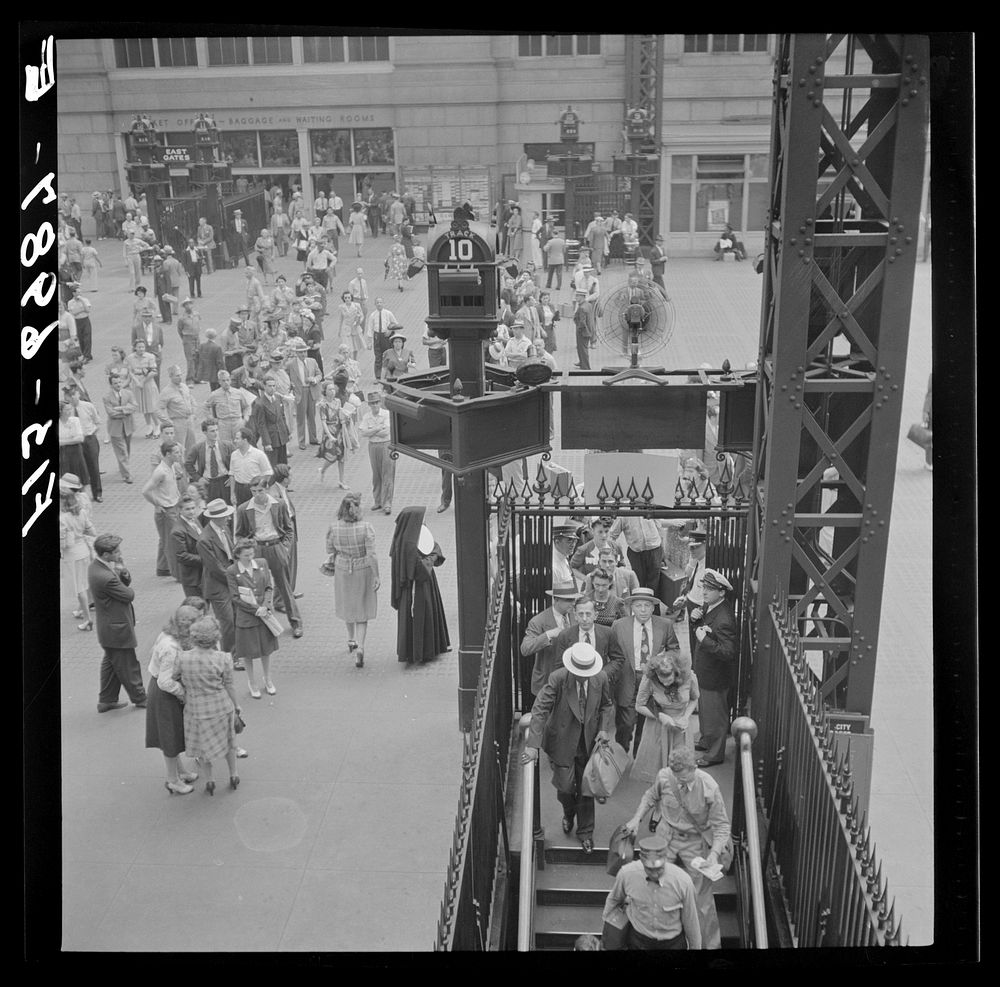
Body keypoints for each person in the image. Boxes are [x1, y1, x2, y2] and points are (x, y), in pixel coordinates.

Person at [620, 747, 731, 949]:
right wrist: (636, 819)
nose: (679, 783)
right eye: (676, 777)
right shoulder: (665, 777)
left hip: (694, 841)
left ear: (694, 768)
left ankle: (709, 947)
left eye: (684, 778)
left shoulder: (709, 787)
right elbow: (650, 797)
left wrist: (714, 854)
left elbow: (722, 826)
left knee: (701, 900)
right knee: (652, 884)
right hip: (666, 836)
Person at [521, 642, 615, 853]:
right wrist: (532, 746)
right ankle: (568, 812)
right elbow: (540, 709)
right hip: (562, 742)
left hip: (588, 743)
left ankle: (586, 832)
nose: (584, 676)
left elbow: (607, 705)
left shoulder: (600, 679)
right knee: (564, 788)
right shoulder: (558, 678)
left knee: (586, 790)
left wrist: (603, 729)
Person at [173, 615, 243, 795]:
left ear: (194, 636)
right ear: (216, 636)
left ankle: (210, 780)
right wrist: (236, 706)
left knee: (202, 748)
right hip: (220, 707)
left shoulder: (183, 658)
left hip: (195, 710)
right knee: (228, 743)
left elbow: (175, 677)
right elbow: (229, 685)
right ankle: (233, 774)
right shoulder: (224, 658)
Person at [608, 588, 681, 754]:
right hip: (627, 679)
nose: (642, 610)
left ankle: (639, 758)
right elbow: (611, 653)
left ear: (653, 607)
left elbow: (675, 650)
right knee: (625, 724)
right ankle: (621, 753)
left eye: (647, 605)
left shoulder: (665, 625)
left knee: (647, 722)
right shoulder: (619, 626)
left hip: (652, 681)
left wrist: (663, 660)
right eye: (638, 605)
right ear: (631, 607)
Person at [601, 834, 702, 950]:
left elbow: (691, 922)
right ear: (641, 860)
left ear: (666, 858)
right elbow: (613, 900)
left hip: (672, 943)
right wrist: (608, 930)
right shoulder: (627, 874)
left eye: (659, 869)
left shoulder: (683, 882)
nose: (654, 874)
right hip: (638, 941)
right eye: (649, 869)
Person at [235, 475, 303, 639]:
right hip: (257, 549)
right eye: (253, 491)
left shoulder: (278, 504)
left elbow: (288, 529)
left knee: (284, 586)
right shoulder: (244, 509)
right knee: (257, 587)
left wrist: (285, 547)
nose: (257, 494)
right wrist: (247, 547)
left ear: (266, 489)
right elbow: (239, 534)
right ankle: (263, 624)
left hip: (275, 546)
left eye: (260, 490)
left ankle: (296, 623)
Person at [146, 605, 202, 795]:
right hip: (164, 695)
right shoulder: (171, 647)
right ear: (187, 626)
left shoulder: (168, 635)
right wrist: (183, 694)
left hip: (162, 692)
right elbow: (165, 682)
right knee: (169, 738)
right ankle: (172, 780)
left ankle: (181, 772)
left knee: (174, 736)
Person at [89, 534, 147, 713]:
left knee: (112, 664)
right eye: (116, 552)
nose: (120, 553)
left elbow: (124, 582)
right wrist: (120, 570)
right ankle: (141, 698)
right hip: (116, 629)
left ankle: (106, 700)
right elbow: (129, 594)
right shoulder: (105, 576)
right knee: (128, 664)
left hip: (110, 628)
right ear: (106, 554)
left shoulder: (97, 567)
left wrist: (122, 569)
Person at [325, 492, 380, 668]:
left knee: (347, 605)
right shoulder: (366, 527)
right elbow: (372, 554)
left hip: (342, 568)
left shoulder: (334, 527)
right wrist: (377, 575)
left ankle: (350, 640)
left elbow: (329, 549)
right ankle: (361, 648)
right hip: (362, 568)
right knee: (362, 609)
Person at [389, 507, 450, 664]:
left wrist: (433, 554)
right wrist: (433, 556)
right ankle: (421, 652)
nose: (424, 521)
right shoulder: (409, 544)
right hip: (417, 588)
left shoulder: (412, 536)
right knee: (423, 615)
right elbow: (420, 569)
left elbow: (432, 546)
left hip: (424, 584)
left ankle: (429, 648)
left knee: (428, 613)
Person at [692, 569, 737, 767]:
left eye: (710, 589)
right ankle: (706, 740)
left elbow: (728, 652)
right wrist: (694, 620)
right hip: (706, 672)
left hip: (715, 677)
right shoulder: (711, 606)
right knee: (705, 712)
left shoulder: (724, 618)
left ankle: (715, 754)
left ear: (721, 592)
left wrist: (705, 640)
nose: (704, 592)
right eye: (704, 588)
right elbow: (703, 626)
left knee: (715, 717)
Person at [632, 650, 700, 784]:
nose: (665, 684)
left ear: (676, 673)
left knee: (681, 774)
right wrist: (660, 716)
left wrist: (686, 717)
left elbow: (694, 698)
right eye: (661, 681)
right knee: (660, 779)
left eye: (669, 680)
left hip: (681, 729)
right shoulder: (649, 679)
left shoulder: (689, 677)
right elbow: (639, 705)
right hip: (658, 729)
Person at [227, 537, 279, 699]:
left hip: (264, 614)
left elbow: (269, 586)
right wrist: (257, 610)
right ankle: (252, 682)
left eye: (251, 554)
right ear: (238, 556)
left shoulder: (262, 563)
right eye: (246, 555)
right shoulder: (232, 571)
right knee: (248, 652)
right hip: (247, 617)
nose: (250, 558)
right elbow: (235, 597)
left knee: (266, 650)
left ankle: (267, 678)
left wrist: (266, 605)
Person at [196, 499, 239, 666]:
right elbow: (215, 567)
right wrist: (235, 578)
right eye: (225, 516)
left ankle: (235, 651)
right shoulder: (204, 540)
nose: (228, 519)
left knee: (235, 617)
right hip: (218, 584)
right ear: (215, 518)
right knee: (227, 621)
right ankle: (229, 656)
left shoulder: (224, 528)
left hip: (230, 578)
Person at [520, 584, 580, 704]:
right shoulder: (539, 621)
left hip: (572, 681)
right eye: (568, 600)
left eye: (573, 599)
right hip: (547, 681)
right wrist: (547, 635)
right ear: (556, 599)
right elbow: (525, 648)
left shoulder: (576, 616)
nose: (572, 603)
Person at [142, 440, 183, 578]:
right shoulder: (160, 471)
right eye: (176, 452)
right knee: (171, 543)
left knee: (164, 539)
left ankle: (163, 568)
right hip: (167, 510)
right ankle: (177, 573)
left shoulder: (171, 466)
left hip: (173, 506)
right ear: (168, 454)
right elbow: (146, 491)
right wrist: (157, 504)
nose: (179, 454)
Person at [59, 481, 96, 631]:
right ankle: (82, 611)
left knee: (79, 588)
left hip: (72, 554)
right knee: (83, 583)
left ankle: (87, 619)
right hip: (84, 551)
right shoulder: (81, 512)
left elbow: (63, 544)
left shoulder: (63, 519)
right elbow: (91, 530)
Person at [358, 389, 395, 515]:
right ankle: (378, 501)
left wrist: (371, 430)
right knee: (376, 474)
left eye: (377, 402)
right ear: (369, 404)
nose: (375, 405)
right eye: (372, 403)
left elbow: (386, 432)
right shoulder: (366, 416)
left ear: (380, 403)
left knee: (387, 474)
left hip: (386, 444)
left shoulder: (386, 414)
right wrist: (378, 428)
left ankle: (387, 503)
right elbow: (363, 433)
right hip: (373, 446)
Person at [672, 531, 707, 657]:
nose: (692, 550)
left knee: (700, 646)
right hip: (692, 606)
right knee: (693, 646)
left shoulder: (707, 565)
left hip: (701, 610)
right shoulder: (698, 561)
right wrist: (685, 598)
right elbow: (689, 578)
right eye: (690, 547)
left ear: (705, 545)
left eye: (695, 547)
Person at [66, 385, 103, 502]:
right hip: (75, 441)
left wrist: (92, 432)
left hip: (89, 439)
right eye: (69, 396)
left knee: (94, 467)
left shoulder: (88, 406)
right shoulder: (66, 410)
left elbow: (97, 421)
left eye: (74, 394)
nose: (72, 398)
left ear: (78, 394)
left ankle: (97, 493)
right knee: (78, 467)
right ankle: (79, 494)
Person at [609, 516, 663, 593]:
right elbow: (612, 535)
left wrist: (662, 551)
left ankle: (653, 604)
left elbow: (659, 526)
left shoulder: (650, 507)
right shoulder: (625, 514)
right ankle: (639, 603)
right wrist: (613, 554)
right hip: (636, 553)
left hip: (655, 550)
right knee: (639, 583)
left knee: (655, 582)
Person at [186, 419, 234, 505]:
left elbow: (237, 462)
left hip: (225, 482)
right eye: (212, 431)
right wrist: (198, 478)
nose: (216, 433)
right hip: (209, 484)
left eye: (217, 430)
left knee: (227, 509)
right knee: (210, 510)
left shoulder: (227, 446)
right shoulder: (198, 448)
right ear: (204, 432)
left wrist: (233, 478)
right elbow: (188, 464)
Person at [249, 373, 291, 469]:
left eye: (273, 386)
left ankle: (284, 483)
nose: (272, 388)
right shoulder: (260, 404)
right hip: (271, 439)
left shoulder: (278, 398)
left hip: (281, 436)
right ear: (264, 386)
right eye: (269, 386)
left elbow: (282, 417)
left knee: (283, 464)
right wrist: (267, 442)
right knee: (273, 466)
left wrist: (287, 432)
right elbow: (261, 425)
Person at [103, 370, 137, 484]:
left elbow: (134, 407)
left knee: (126, 450)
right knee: (122, 451)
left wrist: (120, 409)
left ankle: (123, 467)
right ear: (111, 385)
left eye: (119, 382)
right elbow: (111, 413)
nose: (118, 385)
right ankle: (127, 475)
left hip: (128, 426)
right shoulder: (106, 397)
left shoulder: (128, 393)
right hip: (115, 428)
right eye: (115, 383)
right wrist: (126, 410)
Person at [156, 365, 196, 456]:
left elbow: (192, 399)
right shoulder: (166, 391)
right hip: (178, 422)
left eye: (180, 375)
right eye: (177, 376)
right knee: (179, 448)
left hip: (189, 420)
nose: (180, 377)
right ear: (171, 376)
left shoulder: (184, 387)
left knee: (192, 447)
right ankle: (179, 468)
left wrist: (193, 414)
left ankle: (191, 468)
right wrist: (168, 422)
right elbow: (158, 409)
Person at [203, 369, 251, 444]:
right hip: (223, 423)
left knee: (239, 443)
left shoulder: (238, 393)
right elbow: (206, 407)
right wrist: (212, 419)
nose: (226, 383)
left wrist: (245, 419)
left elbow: (247, 406)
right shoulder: (215, 394)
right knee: (225, 445)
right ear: (219, 382)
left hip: (237, 422)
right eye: (223, 381)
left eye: (228, 380)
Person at [316, 380, 349, 487]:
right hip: (329, 432)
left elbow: (340, 412)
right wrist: (329, 436)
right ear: (325, 391)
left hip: (339, 431)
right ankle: (323, 470)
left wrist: (346, 416)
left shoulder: (338, 401)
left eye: (333, 389)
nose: (332, 391)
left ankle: (341, 481)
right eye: (330, 389)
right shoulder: (323, 405)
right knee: (332, 457)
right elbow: (323, 422)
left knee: (341, 457)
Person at [125, 338, 160, 437]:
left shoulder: (150, 357)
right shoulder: (130, 358)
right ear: (135, 348)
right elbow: (129, 371)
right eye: (139, 347)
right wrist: (136, 381)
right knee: (143, 406)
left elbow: (153, 371)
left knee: (151, 406)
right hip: (137, 385)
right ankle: (149, 425)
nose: (141, 349)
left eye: (143, 347)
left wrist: (143, 381)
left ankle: (157, 425)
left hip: (148, 384)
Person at [172, 495, 205, 598]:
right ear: (180, 510)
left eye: (193, 508)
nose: (191, 511)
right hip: (192, 577)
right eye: (187, 509)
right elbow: (182, 555)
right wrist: (204, 559)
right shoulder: (178, 531)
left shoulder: (195, 520)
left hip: (203, 574)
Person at [228, 426, 271, 507]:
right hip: (239, 489)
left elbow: (268, 472)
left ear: (245, 440)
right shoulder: (234, 455)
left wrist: (260, 489)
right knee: (242, 514)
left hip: (253, 489)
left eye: (237, 439)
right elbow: (232, 475)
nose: (234, 441)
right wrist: (232, 494)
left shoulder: (259, 454)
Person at [58, 398, 91, 490]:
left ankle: (81, 496)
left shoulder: (75, 420)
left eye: (70, 409)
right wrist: (72, 439)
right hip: (62, 453)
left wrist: (63, 442)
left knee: (80, 475)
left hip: (76, 452)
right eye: (67, 410)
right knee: (64, 475)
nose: (70, 411)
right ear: (60, 411)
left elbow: (80, 438)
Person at [368, 306, 398, 380]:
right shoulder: (373, 315)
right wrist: (369, 342)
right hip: (377, 336)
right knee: (378, 356)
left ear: (383, 304)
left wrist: (390, 330)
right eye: (377, 302)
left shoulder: (388, 313)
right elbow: (370, 328)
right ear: (375, 304)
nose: (379, 304)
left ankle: (389, 374)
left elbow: (395, 324)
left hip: (386, 336)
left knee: (389, 355)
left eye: (380, 302)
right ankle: (377, 377)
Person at [67, 285, 94, 363]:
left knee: (87, 338)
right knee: (80, 338)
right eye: (78, 292)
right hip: (77, 321)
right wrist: (81, 310)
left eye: (80, 292)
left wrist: (82, 302)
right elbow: (72, 313)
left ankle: (87, 356)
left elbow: (88, 310)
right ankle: (85, 353)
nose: (80, 293)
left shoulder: (85, 300)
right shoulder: (70, 302)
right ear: (73, 293)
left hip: (85, 320)